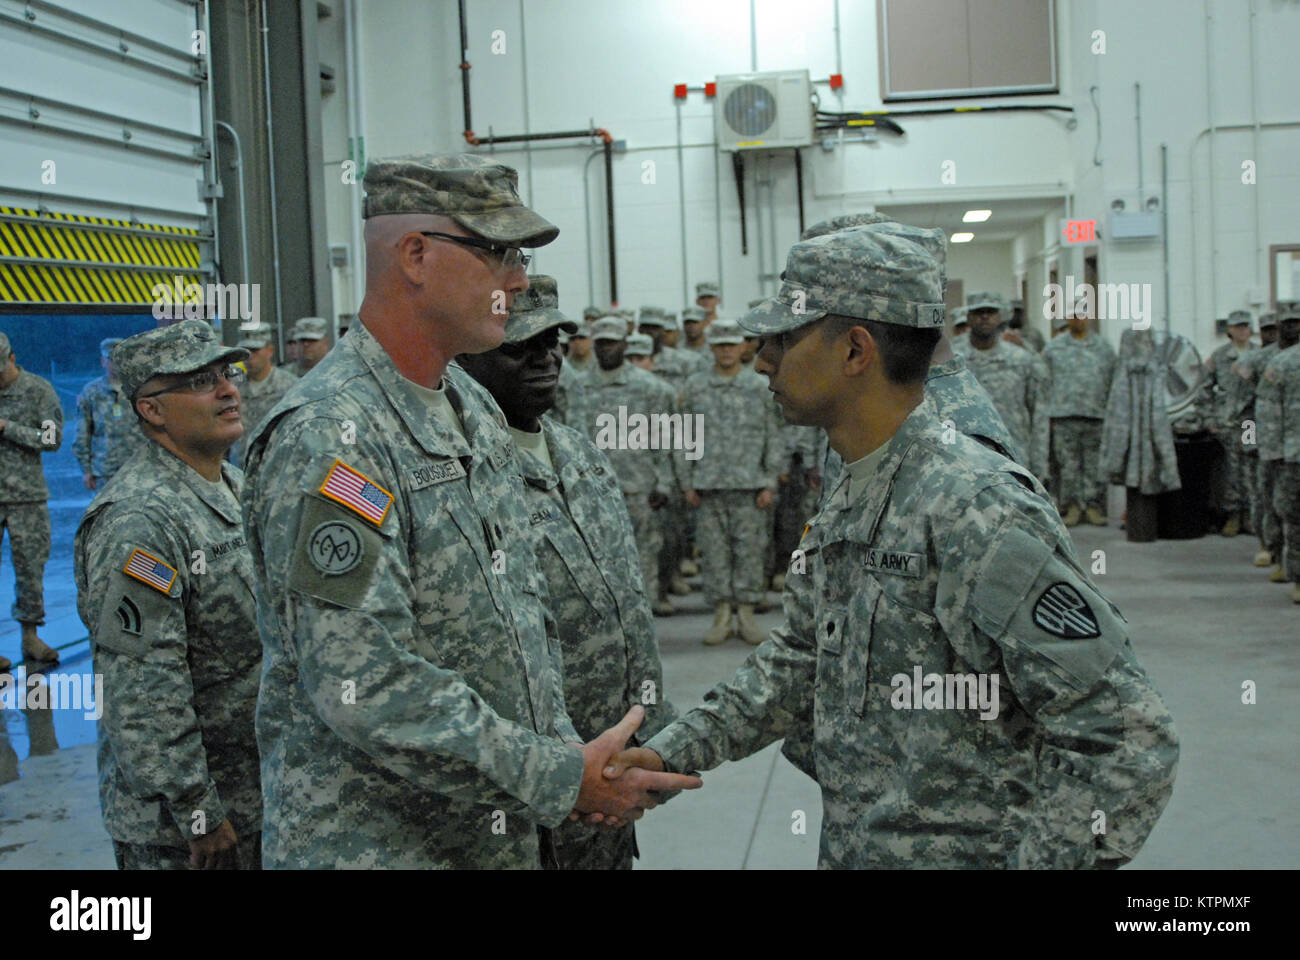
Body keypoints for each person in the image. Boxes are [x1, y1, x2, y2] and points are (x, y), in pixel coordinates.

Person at [603, 221, 1180, 869]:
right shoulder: (858, 483)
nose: (763, 358)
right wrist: (671, 750)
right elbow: (802, 658)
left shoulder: (972, 502)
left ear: (855, 351)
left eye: (786, 339)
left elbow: (1126, 735)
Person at [242, 154, 698, 869]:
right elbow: (363, 679)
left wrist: (576, 769)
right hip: (383, 847)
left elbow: (525, 628)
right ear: (415, 255)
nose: (517, 279)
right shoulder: (332, 433)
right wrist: (557, 778)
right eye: (497, 252)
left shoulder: (473, 410)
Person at [457, 275, 680, 869]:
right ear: (467, 353)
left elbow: (628, 602)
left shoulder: (578, 453)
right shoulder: (458, 470)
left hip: (612, 754)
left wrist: (649, 726)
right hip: (532, 773)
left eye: (553, 340)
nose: (546, 357)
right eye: (520, 345)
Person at [74, 320, 262, 869]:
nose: (228, 389)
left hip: (252, 794)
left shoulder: (232, 486)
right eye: (201, 381)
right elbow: (139, 684)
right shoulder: (140, 520)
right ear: (151, 410)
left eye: (227, 373)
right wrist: (194, 807)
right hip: (187, 830)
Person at [680, 319, 783, 646]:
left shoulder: (759, 386)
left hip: (750, 486)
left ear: (743, 347)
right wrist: (687, 480)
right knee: (714, 553)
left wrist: (770, 481)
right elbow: (684, 436)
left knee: (750, 551)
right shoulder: (695, 386)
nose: (726, 350)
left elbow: (773, 435)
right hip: (708, 484)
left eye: (731, 344)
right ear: (712, 348)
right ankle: (722, 614)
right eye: (720, 345)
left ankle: (747, 613)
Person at [582, 316, 680, 616]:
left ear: (625, 344)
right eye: (601, 343)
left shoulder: (651, 388)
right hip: (590, 490)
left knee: (644, 558)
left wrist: (663, 482)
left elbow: (666, 439)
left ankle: (644, 620)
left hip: (639, 488)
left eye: (613, 342)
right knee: (596, 560)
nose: (606, 349)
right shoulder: (577, 386)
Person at [0, 332, 62, 671]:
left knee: (30, 569)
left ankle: (30, 636)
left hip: (27, 497)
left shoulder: (38, 391)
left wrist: (8, 427)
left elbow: (52, 439)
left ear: (11, 359)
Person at [1041, 307, 1117, 526]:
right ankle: (1072, 505)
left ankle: (1093, 506)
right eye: (1073, 315)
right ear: (1067, 318)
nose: (1078, 319)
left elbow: (1113, 380)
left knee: (1095, 464)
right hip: (1064, 414)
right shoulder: (1054, 348)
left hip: (1096, 414)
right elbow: (1044, 382)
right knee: (1067, 464)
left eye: (1082, 315)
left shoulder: (1104, 348)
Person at [964, 291, 1051, 482]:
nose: (985, 317)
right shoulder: (954, 360)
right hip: (966, 458)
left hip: (1014, 456)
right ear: (968, 318)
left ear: (1000, 316)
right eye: (979, 312)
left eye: (990, 312)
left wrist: (1039, 464)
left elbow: (1039, 414)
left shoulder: (1021, 360)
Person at [1256, 305, 1300, 592]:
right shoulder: (1282, 363)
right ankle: (1295, 575)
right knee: (1292, 514)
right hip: (1292, 456)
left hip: (1290, 453)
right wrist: (1270, 456)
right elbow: (1267, 414)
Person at [1207, 310, 1259, 535]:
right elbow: (1203, 388)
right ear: (1229, 330)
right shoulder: (1219, 356)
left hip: (1251, 422)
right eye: (1237, 327)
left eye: (1245, 326)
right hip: (1228, 421)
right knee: (1230, 468)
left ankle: (1250, 515)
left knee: (1251, 467)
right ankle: (1233, 515)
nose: (1242, 331)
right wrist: (1209, 417)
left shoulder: (1260, 354)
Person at [74, 337, 146, 490]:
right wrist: (86, 470)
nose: (116, 364)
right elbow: (82, 433)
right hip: (104, 470)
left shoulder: (141, 390)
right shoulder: (91, 392)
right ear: (103, 362)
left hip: (138, 468)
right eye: (111, 359)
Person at [1239, 313, 1280, 565]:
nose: (1272, 335)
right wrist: (1249, 441)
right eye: (1267, 330)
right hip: (1261, 438)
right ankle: (1266, 544)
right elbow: (1243, 407)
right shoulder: (1253, 362)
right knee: (1261, 496)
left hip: (1287, 441)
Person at [228, 322, 296, 469]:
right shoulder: (231, 387)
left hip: (276, 469)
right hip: (240, 469)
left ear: (270, 350)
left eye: (255, 350)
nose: (249, 357)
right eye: (245, 351)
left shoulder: (289, 386)